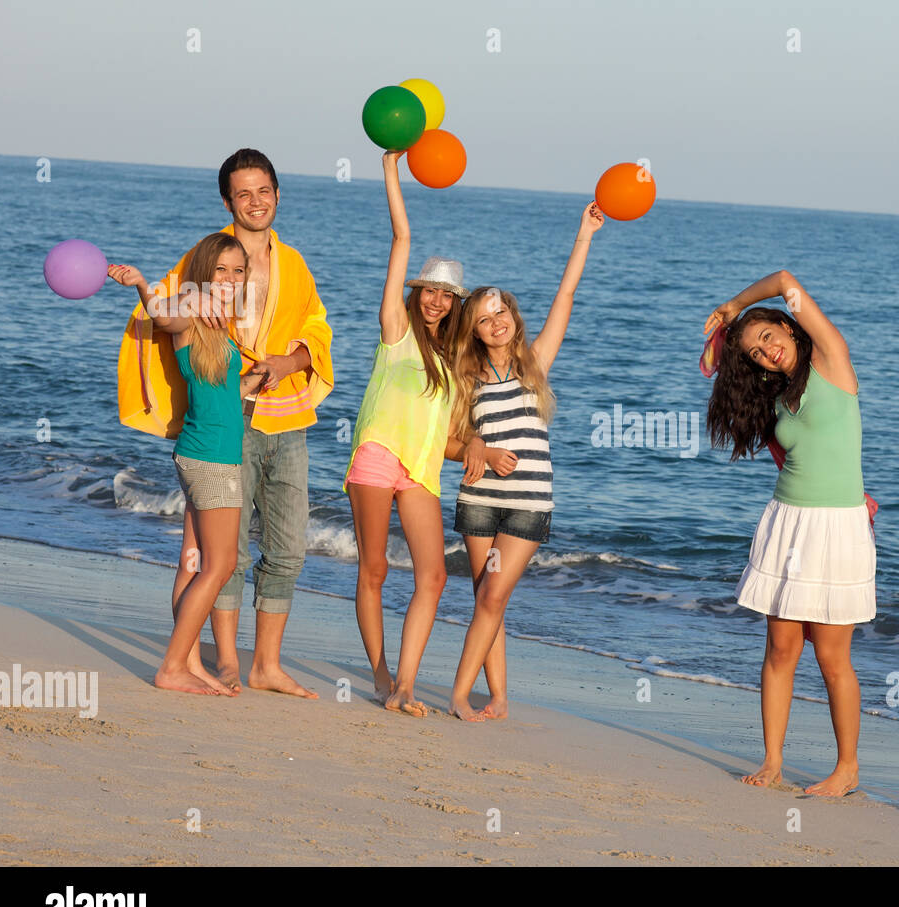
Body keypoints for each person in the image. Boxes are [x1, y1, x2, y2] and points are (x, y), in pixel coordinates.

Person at [117, 148, 334, 698]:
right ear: (227, 201)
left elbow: (316, 324)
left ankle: (263, 664)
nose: (256, 202)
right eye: (244, 193)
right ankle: (213, 662)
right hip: (216, 429)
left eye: (264, 191)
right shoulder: (207, 259)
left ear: (278, 194)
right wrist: (156, 291)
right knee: (213, 555)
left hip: (280, 414)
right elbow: (164, 311)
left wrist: (287, 362)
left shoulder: (296, 264)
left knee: (282, 547)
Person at [704, 270, 875, 797]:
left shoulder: (832, 361)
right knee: (780, 650)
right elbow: (713, 367)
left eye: (769, 337)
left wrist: (733, 307)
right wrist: (727, 346)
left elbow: (783, 279)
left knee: (831, 657)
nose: (765, 352)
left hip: (838, 528)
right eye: (755, 352)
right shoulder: (776, 397)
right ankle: (773, 761)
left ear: (789, 326)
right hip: (787, 521)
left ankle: (847, 769)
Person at [446, 202, 605, 722]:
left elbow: (566, 296)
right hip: (479, 500)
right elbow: (446, 441)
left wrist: (583, 235)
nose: (496, 324)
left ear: (514, 317)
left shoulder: (536, 363)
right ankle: (499, 697)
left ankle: (458, 695)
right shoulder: (464, 379)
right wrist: (479, 448)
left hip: (528, 504)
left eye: (502, 314)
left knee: (491, 595)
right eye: (485, 319)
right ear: (473, 328)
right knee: (487, 600)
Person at [344, 149, 488, 717]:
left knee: (433, 576)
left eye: (446, 294)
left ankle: (405, 684)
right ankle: (380, 674)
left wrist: (475, 443)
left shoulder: (456, 363)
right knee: (374, 569)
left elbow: (445, 441)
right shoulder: (396, 330)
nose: (436, 299)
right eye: (429, 289)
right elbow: (400, 240)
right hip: (377, 457)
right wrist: (390, 172)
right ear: (416, 292)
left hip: (420, 471)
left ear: (455, 304)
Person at [108, 234, 267, 694]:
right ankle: (173, 666)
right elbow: (161, 314)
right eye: (221, 270)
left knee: (194, 563)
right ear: (204, 273)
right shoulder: (188, 315)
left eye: (239, 271)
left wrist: (253, 381)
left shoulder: (220, 325)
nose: (231, 279)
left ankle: (192, 663)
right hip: (211, 460)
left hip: (210, 452)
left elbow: (218, 395)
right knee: (219, 567)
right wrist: (141, 282)